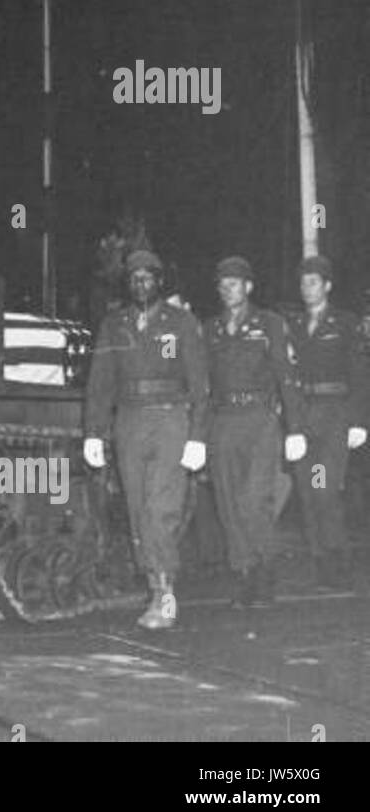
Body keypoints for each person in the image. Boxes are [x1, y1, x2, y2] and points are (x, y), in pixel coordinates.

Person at [83, 249, 209, 629]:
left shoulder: (182, 322)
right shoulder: (113, 324)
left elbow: (200, 383)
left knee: (160, 508)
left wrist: (197, 436)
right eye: (134, 278)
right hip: (129, 422)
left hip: (171, 419)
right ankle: (154, 584)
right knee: (138, 509)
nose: (141, 284)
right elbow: (101, 382)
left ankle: (165, 592)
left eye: (148, 277)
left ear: (160, 281)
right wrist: (94, 431)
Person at [203, 256, 306, 608]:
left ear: (248, 287)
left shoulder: (270, 323)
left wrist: (295, 429)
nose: (226, 289)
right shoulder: (211, 329)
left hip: (260, 419)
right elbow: (203, 384)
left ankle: (265, 569)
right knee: (229, 501)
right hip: (223, 420)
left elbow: (286, 374)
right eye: (222, 284)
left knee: (255, 499)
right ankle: (244, 572)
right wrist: (199, 434)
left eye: (233, 283)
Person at [282, 256, 368, 591]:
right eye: (303, 282)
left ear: (328, 285)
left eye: (314, 282)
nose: (307, 288)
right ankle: (320, 560)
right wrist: (291, 422)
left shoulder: (345, 323)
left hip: (334, 414)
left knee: (326, 489)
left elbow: (360, 374)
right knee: (308, 489)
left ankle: (337, 557)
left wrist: (359, 420)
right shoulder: (295, 325)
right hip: (305, 415)